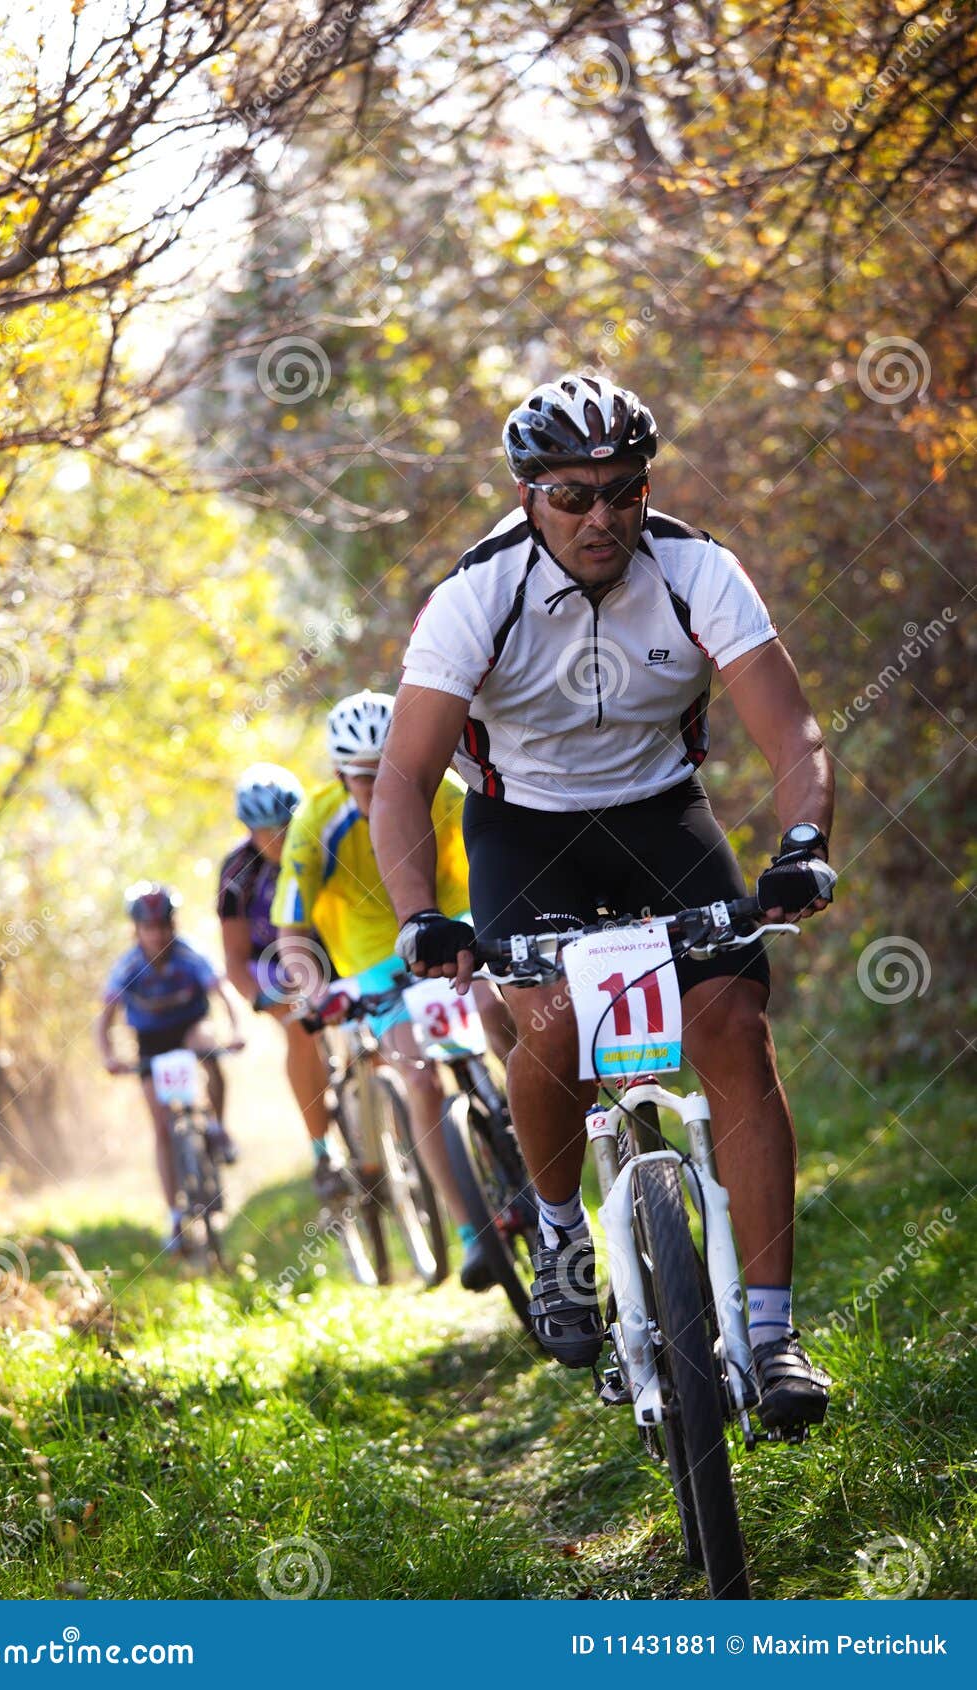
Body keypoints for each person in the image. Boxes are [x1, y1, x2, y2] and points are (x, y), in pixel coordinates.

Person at [371, 372, 836, 1429]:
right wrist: (416, 914)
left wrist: (803, 843)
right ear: (527, 494)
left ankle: (769, 1334)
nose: (600, 517)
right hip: (519, 823)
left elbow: (790, 729)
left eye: (622, 492)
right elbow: (401, 779)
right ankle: (558, 1234)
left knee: (732, 1022)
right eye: (572, 495)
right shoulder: (473, 596)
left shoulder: (696, 569)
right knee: (548, 1021)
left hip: (657, 811)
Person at [271, 689, 517, 1292]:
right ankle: (469, 1234)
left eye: (388, 771)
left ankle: (523, 1115)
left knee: (492, 1007)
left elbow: (497, 860)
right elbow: (292, 930)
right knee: (418, 1077)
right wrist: (314, 994)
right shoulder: (314, 824)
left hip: (450, 919)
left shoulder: (443, 793)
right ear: (338, 775)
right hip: (372, 955)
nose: (376, 787)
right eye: (362, 779)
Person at [217, 762, 348, 1202]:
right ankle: (323, 1151)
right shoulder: (236, 874)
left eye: (283, 826)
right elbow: (234, 961)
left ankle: (386, 1109)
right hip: (272, 964)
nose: (275, 839)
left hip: (331, 945)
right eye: (263, 831)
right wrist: (260, 999)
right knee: (300, 1025)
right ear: (248, 830)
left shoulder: (321, 844)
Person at [97, 882, 245, 1252]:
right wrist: (109, 1056)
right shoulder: (128, 966)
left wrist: (237, 1029)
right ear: (137, 930)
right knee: (162, 1126)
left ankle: (218, 1126)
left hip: (190, 1027)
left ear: (173, 926)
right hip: (151, 1042)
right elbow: (105, 1017)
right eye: (150, 928)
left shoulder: (189, 954)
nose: (157, 934)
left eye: (163, 926)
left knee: (207, 1049)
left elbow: (222, 991)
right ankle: (174, 1215)